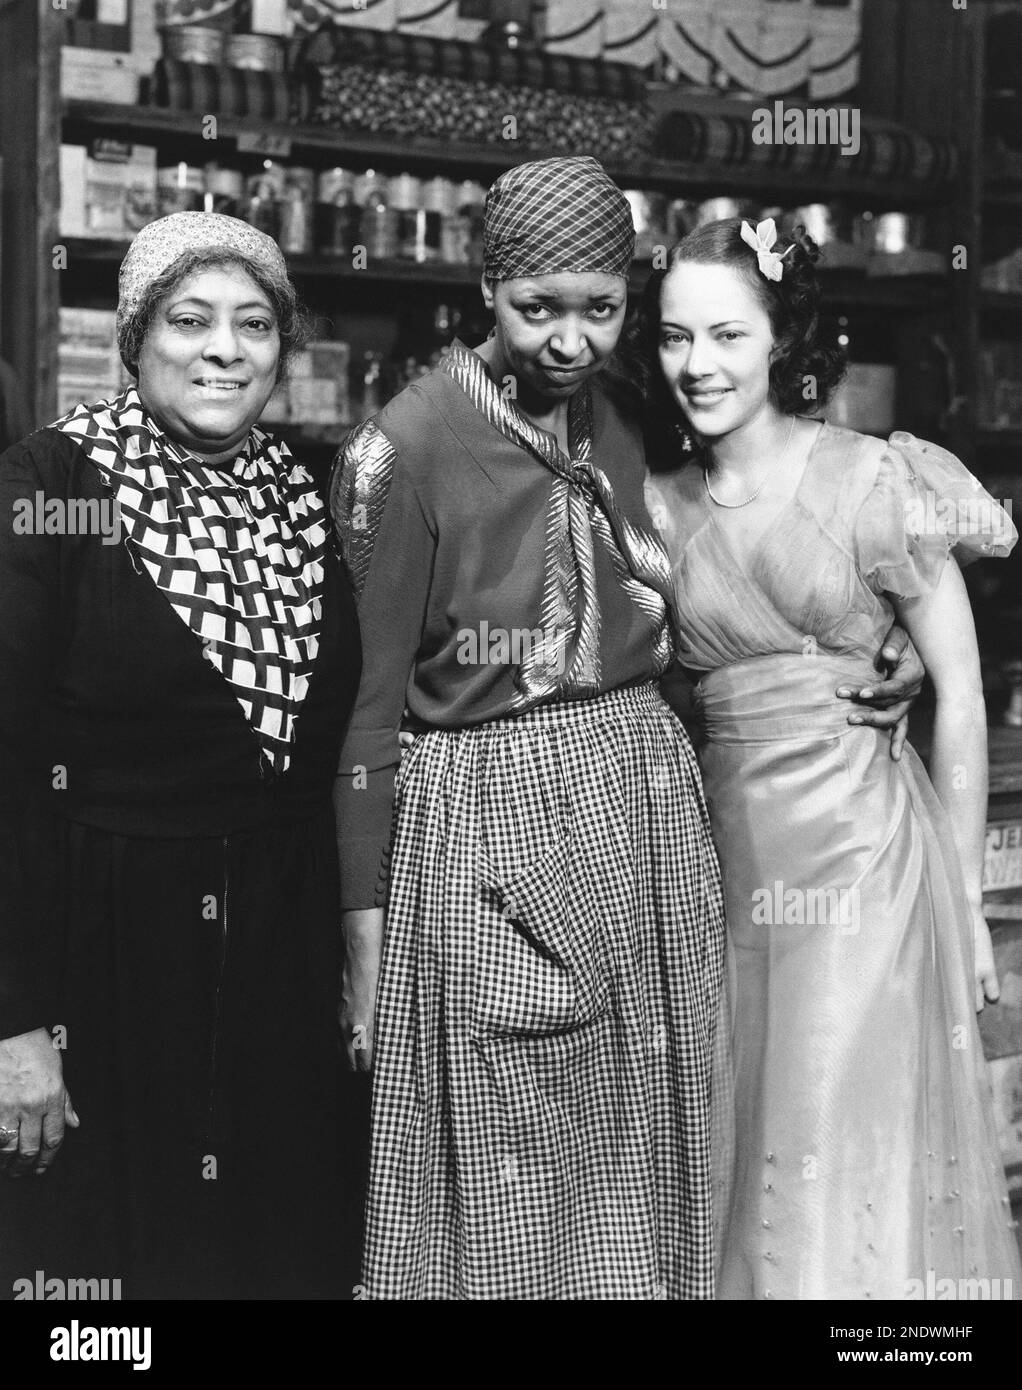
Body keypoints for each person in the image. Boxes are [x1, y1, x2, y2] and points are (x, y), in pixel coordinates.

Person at [331, 158, 919, 1300]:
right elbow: (368, 713)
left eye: (598, 309)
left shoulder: (623, 414)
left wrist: (872, 647)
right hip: (486, 827)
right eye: (534, 307)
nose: (566, 340)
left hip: (644, 812)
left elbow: (741, 550)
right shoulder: (401, 449)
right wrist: (364, 942)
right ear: (484, 284)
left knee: (645, 1162)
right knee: (506, 1174)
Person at [638, 215, 1022, 1299]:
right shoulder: (656, 511)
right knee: (745, 1153)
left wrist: (957, 903)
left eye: (724, 335)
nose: (697, 364)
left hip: (863, 874)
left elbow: (957, 690)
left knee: (835, 1145)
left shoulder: (872, 477)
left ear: (778, 340)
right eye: (674, 338)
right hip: (724, 880)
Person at [0, 212, 362, 1299]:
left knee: (272, 1252)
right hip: (102, 950)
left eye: (255, 324)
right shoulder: (52, 480)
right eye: (189, 320)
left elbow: (352, 734)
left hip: (276, 960)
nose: (224, 349)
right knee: (110, 1275)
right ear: (135, 337)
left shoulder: (309, 489)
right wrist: (14, 1023)